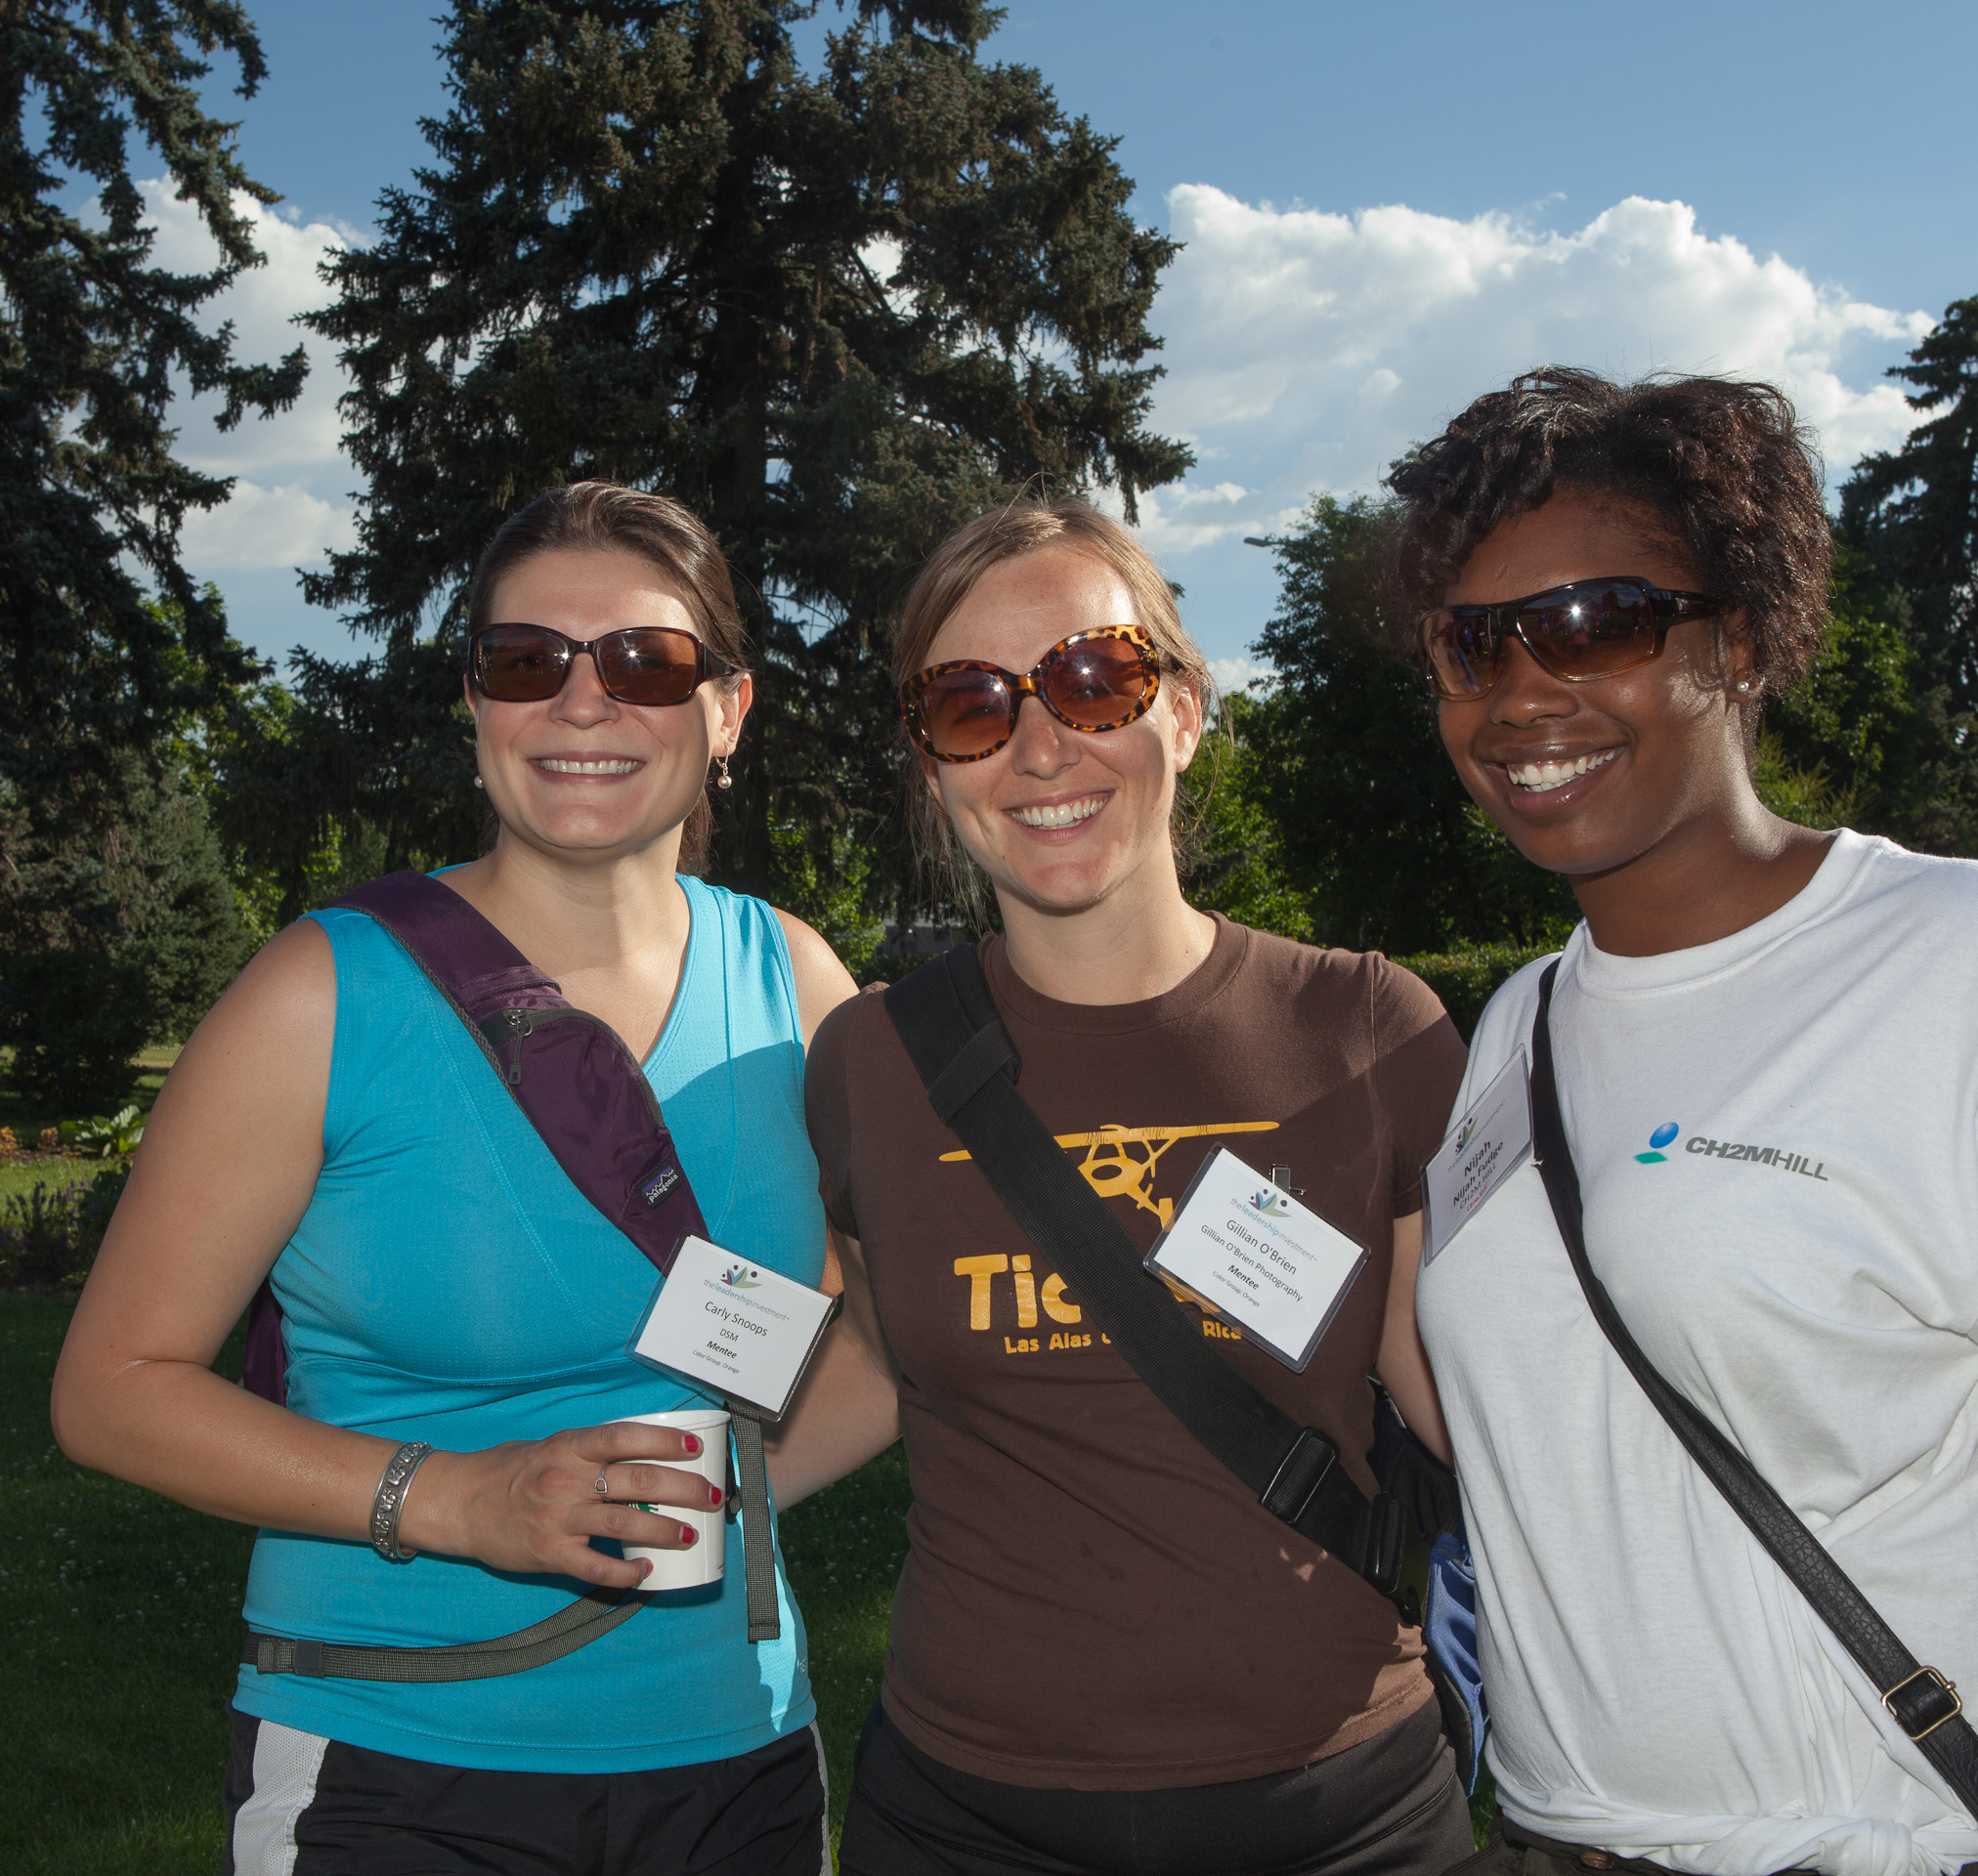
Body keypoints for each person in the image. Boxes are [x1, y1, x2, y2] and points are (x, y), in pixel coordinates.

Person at [1387, 368, 1978, 1876]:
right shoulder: (1512, 1037)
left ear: (1739, 639)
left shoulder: (1974, 958)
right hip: (1567, 1843)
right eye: (1471, 644)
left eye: (1595, 622)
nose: (1522, 693)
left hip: (1922, 1841)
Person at [51, 482, 859, 1875]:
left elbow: (881, 1333)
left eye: (647, 664)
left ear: (728, 715)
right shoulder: (323, 996)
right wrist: (460, 1501)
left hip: (742, 1760)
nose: (583, 703)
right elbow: (111, 1388)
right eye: (526, 660)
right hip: (399, 1765)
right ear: (475, 706)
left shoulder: (794, 980)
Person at [792, 497, 1477, 1876]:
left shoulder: (1369, 1029)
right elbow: (876, 1350)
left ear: (1183, 711)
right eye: (973, 704)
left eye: (1096, 680)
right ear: (932, 767)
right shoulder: (869, 1060)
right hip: (966, 1817)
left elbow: (1452, 1384)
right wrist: (664, 1489)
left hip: (1341, 1809)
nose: (1042, 744)